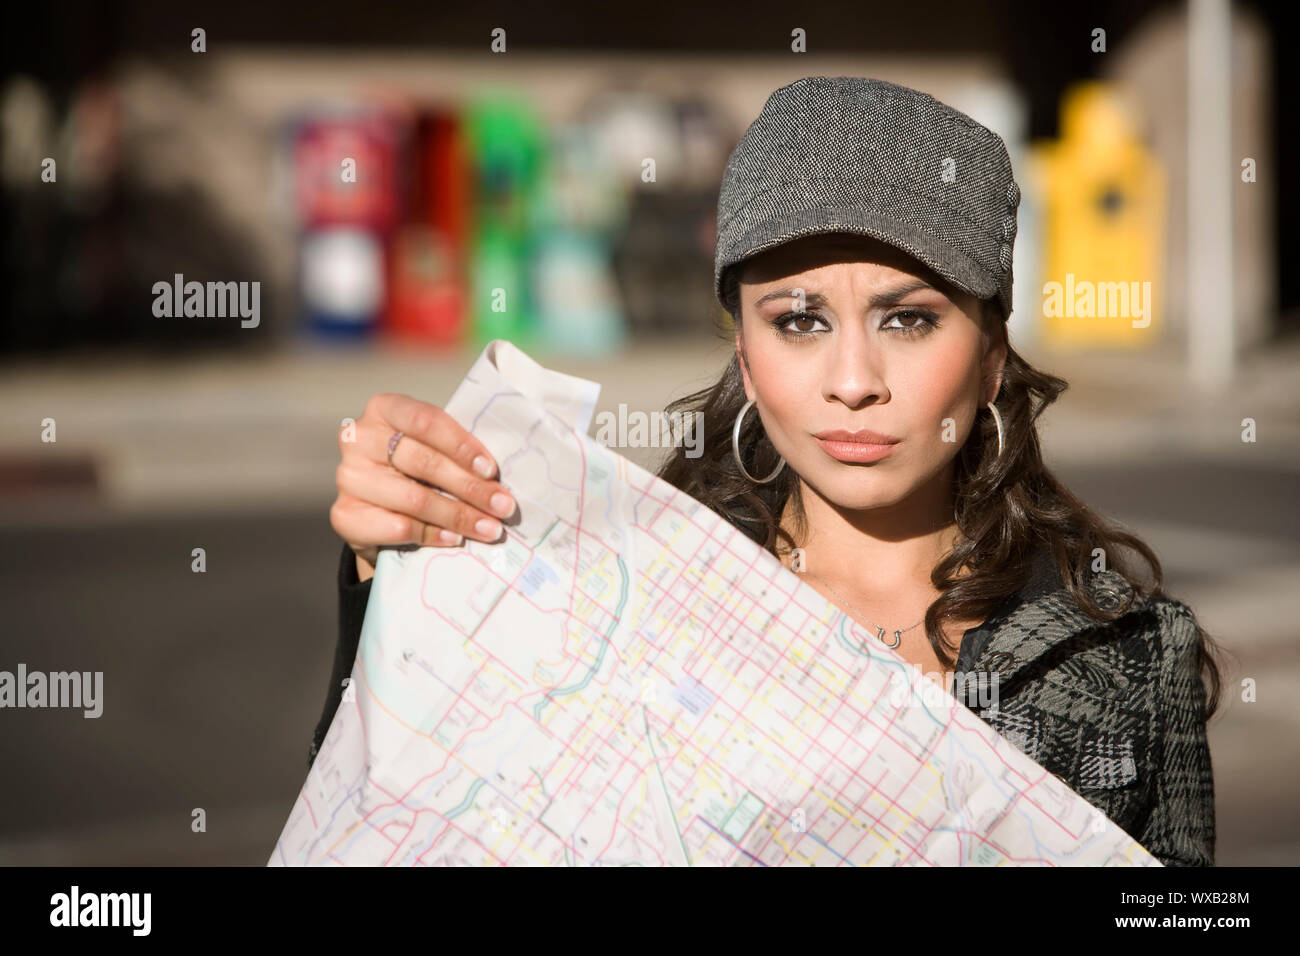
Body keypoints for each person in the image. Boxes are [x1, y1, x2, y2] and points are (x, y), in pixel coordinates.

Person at [317, 76, 1226, 866]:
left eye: (908, 319)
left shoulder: (1131, 654)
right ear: (745, 355)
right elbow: (387, 826)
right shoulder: (608, 605)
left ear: (992, 354)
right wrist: (390, 584)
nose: (854, 382)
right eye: (799, 319)